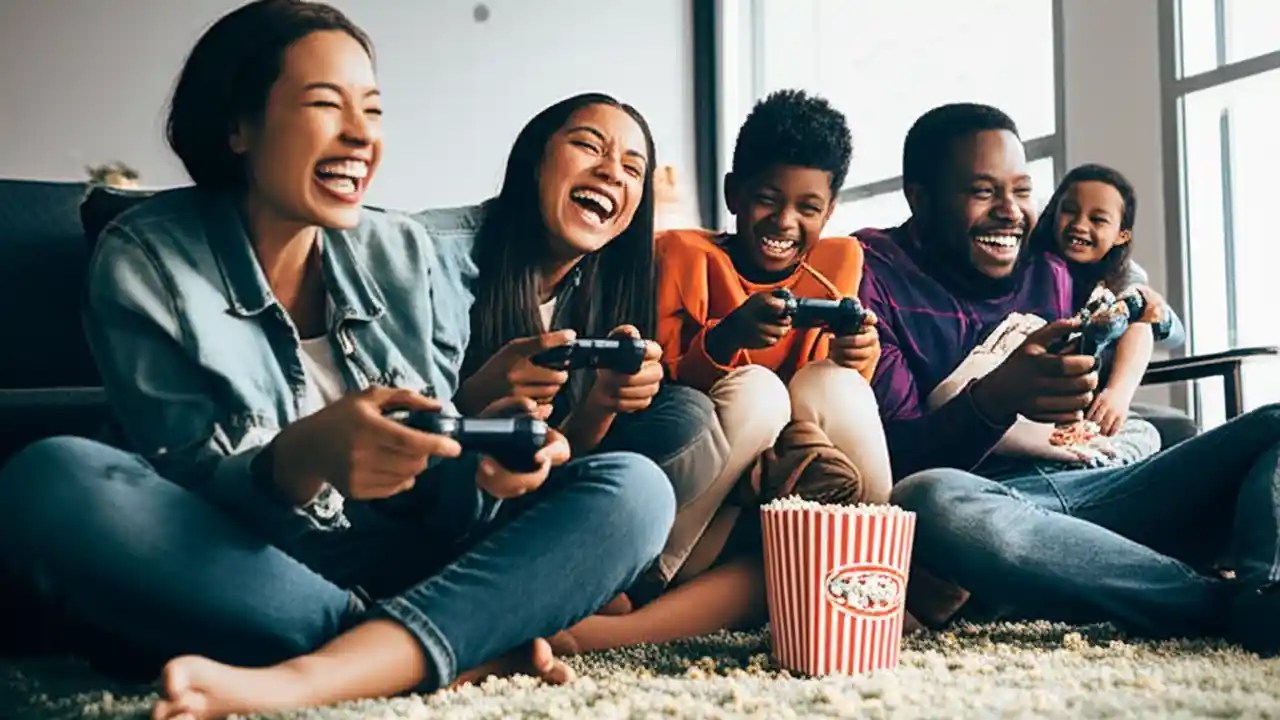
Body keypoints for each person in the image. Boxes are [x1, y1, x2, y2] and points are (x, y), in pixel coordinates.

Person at [0, 3, 676, 719]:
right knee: (49, 481)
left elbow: (442, 514)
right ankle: (434, 649)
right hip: (246, 564)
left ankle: (311, 676)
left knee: (637, 491)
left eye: (373, 111)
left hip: (405, 560)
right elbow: (184, 488)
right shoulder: (147, 258)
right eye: (326, 104)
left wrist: (482, 469)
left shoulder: (405, 255)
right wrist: (300, 458)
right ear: (238, 125)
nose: (362, 136)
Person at [856, 102, 1280, 653]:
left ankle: (1262, 592)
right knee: (925, 499)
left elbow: (1140, 312)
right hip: (989, 507)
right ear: (921, 197)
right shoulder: (875, 273)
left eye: (1022, 189)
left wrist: (1118, 387)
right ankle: (1229, 609)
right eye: (983, 191)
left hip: (1099, 490)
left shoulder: (1054, 261)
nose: (1010, 212)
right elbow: (893, 456)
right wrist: (997, 396)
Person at [550, 90, 889, 654]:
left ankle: (872, 566)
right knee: (759, 391)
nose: (785, 221)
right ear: (734, 193)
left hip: (790, 482)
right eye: (766, 199)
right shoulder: (681, 255)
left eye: (808, 208)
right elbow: (671, 400)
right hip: (707, 499)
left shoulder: (840, 261)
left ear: (829, 212)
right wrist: (728, 337)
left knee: (836, 382)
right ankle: (642, 578)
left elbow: (828, 388)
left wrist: (858, 357)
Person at [447, 93, 730, 607]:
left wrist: (602, 402)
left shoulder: (601, 280)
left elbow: (565, 451)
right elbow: (399, 434)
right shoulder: (438, 256)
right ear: (535, 160)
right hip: (444, 496)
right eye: (588, 146)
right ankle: (565, 579)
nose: (612, 173)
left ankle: (583, 568)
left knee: (687, 415)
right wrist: (476, 396)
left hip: (536, 490)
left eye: (632, 168)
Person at [1028, 163, 1185, 435]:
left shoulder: (1125, 276)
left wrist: (1117, 394)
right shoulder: (1030, 265)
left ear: (1121, 235)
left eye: (1098, 219)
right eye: (1069, 211)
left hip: (1093, 399)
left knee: (1175, 427)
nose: (1079, 225)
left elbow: (1174, 335)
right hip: (1035, 397)